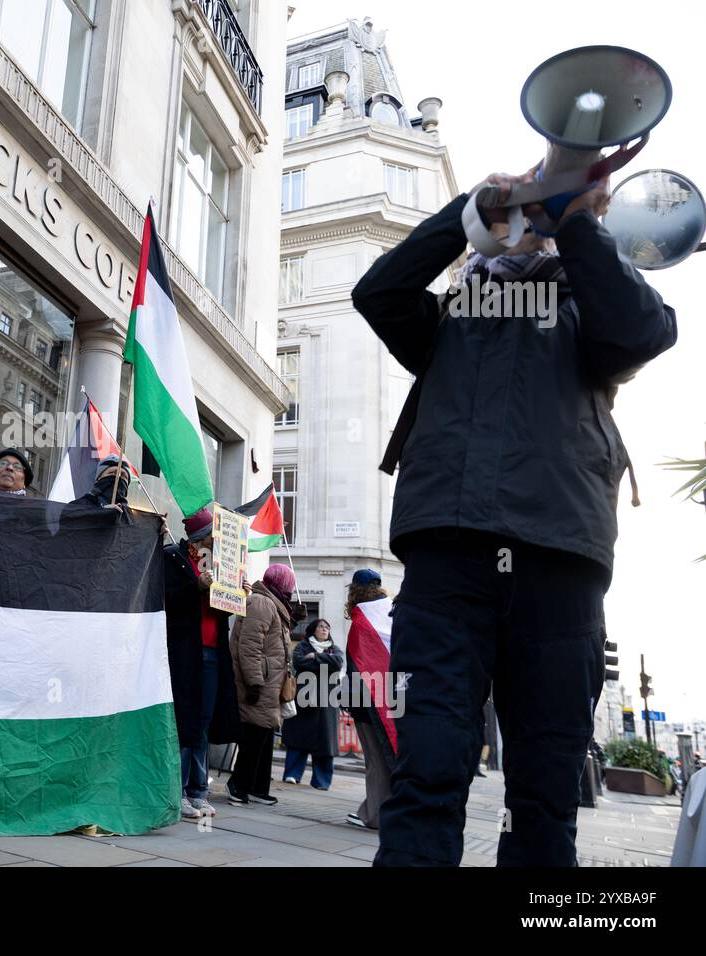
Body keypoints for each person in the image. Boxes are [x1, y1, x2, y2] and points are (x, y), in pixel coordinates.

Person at [352, 170, 677, 866]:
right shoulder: (446, 318)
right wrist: (470, 212)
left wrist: (577, 221)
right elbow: (375, 290)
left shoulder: (591, 306)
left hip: (560, 570)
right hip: (448, 565)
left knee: (545, 797)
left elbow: (647, 331)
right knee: (427, 773)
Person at [163, 508, 240, 819]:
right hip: (183, 653)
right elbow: (164, 599)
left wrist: (236, 597)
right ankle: (177, 791)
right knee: (185, 721)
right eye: (213, 535)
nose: (217, 541)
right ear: (200, 537)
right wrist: (194, 586)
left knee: (204, 723)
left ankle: (198, 791)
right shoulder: (173, 557)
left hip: (211, 653)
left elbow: (219, 614)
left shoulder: (222, 566)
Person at [226, 564, 294, 807]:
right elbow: (249, 647)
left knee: (264, 734)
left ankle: (256, 786)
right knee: (255, 735)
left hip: (270, 682)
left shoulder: (272, 603)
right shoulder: (262, 603)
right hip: (260, 682)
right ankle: (239, 784)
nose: (291, 588)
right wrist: (254, 682)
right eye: (289, 583)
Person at [341, 568, 395, 830]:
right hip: (396, 697)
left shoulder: (362, 620)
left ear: (355, 590)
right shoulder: (392, 613)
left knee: (375, 760)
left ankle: (374, 815)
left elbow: (356, 665)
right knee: (389, 755)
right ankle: (377, 809)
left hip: (369, 701)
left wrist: (348, 699)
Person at [281, 616, 343, 789]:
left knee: (325, 743)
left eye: (327, 627)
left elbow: (338, 663)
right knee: (298, 737)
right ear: (314, 630)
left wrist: (315, 657)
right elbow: (300, 662)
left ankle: (321, 781)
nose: (324, 629)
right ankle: (292, 774)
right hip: (304, 698)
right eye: (321, 626)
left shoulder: (334, 649)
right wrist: (324, 663)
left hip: (326, 702)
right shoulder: (302, 646)